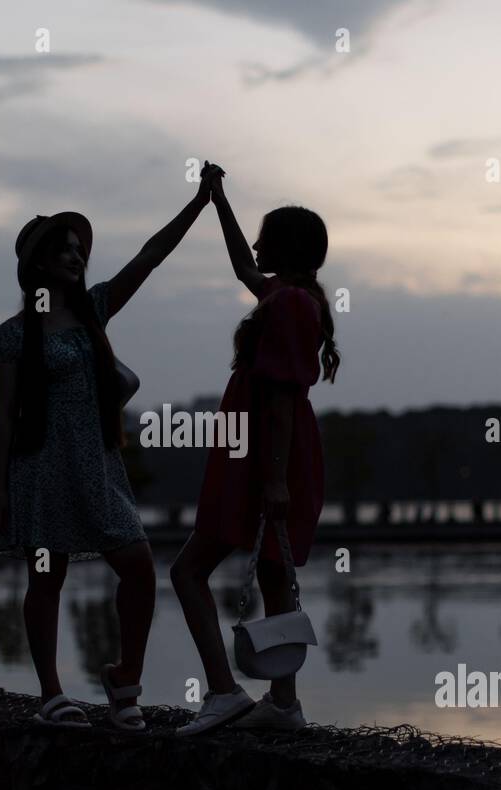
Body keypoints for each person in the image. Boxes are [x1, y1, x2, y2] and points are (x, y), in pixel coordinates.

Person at [0, 175, 215, 730]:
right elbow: (4, 415)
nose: (74, 255)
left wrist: (200, 201)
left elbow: (150, 256)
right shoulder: (12, 336)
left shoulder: (95, 310)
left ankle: (124, 679)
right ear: (36, 264)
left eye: (78, 249)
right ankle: (51, 694)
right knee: (46, 578)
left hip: (99, 466)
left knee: (138, 568)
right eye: (61, 249)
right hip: (41, 467)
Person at [171, 167, 340, 735]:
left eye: (266, 236)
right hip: (266, 454)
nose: (257, 244)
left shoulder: (290, 304)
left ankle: (223, 691)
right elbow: (242, 262)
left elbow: (280, 399)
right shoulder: (285, 294)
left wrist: (273, 480)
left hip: (267, 457)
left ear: (286, 248)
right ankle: (284, 704)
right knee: (273, 579)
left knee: (189, 569)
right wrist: (217, 200)